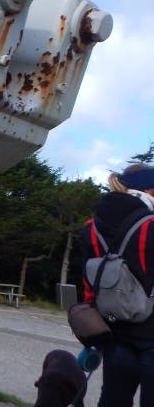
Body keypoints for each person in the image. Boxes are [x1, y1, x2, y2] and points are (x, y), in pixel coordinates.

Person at [79, 163, 154, 406]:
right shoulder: (150, 225)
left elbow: (89, 280)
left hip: (115, 330)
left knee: (113, 399)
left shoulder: (91, 227)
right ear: (149, 190)